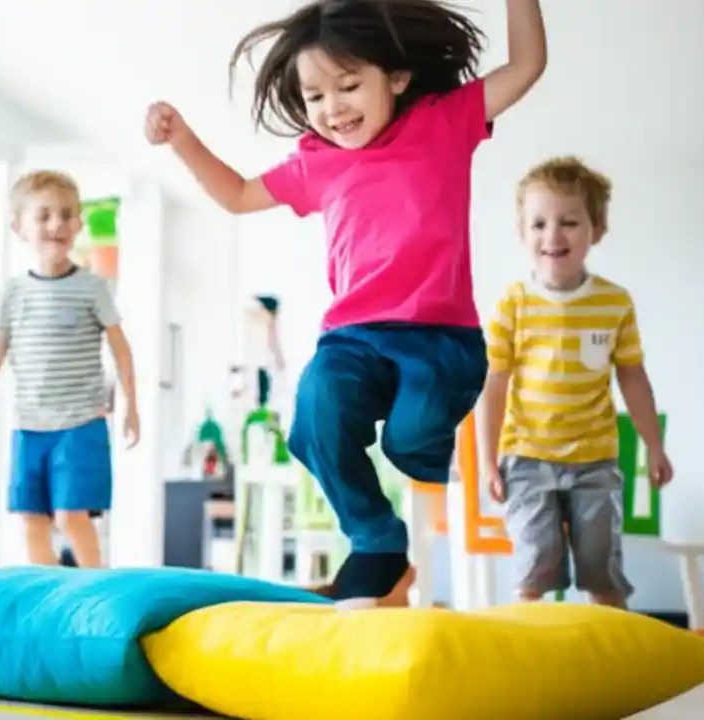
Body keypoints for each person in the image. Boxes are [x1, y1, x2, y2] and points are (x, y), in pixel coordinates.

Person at [144, 0, 548, 608]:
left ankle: (453, 473)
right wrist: (182, 140)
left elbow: (527, 66)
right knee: (313, 418)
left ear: (398, 78)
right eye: (314, 96)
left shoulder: (444, 121)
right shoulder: (317, 161)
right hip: (355, 337)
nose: (332, 108)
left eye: (349, 85)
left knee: (410, 443)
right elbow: (236, 194)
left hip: (440, 336)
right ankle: (378, 544)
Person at [480, 156, 674, 608]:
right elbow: (494, 384)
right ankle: (527, 656)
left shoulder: (614, 302)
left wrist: (654, 446)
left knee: (599, 565)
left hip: (595, 460)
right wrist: (489, 460)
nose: (553, 236)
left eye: (569, 222)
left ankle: (612, 659)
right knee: (534, 563)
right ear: (522, 231)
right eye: (539, 224)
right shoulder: (513, 302)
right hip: (527, 457)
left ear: (596, 230)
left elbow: (633, 378)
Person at [0, 170, 139, 569]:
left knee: (71, 517)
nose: (57, 224)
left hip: (80, 424)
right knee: (31, 521)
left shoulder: (92, 288)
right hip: (30, 427)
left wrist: (132, 407)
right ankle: (50, 596)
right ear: (19, 227)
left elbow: (122, 351)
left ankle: (96, 592)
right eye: (44, 216)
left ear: (79, 223)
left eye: (66, 214)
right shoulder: (12, 293)